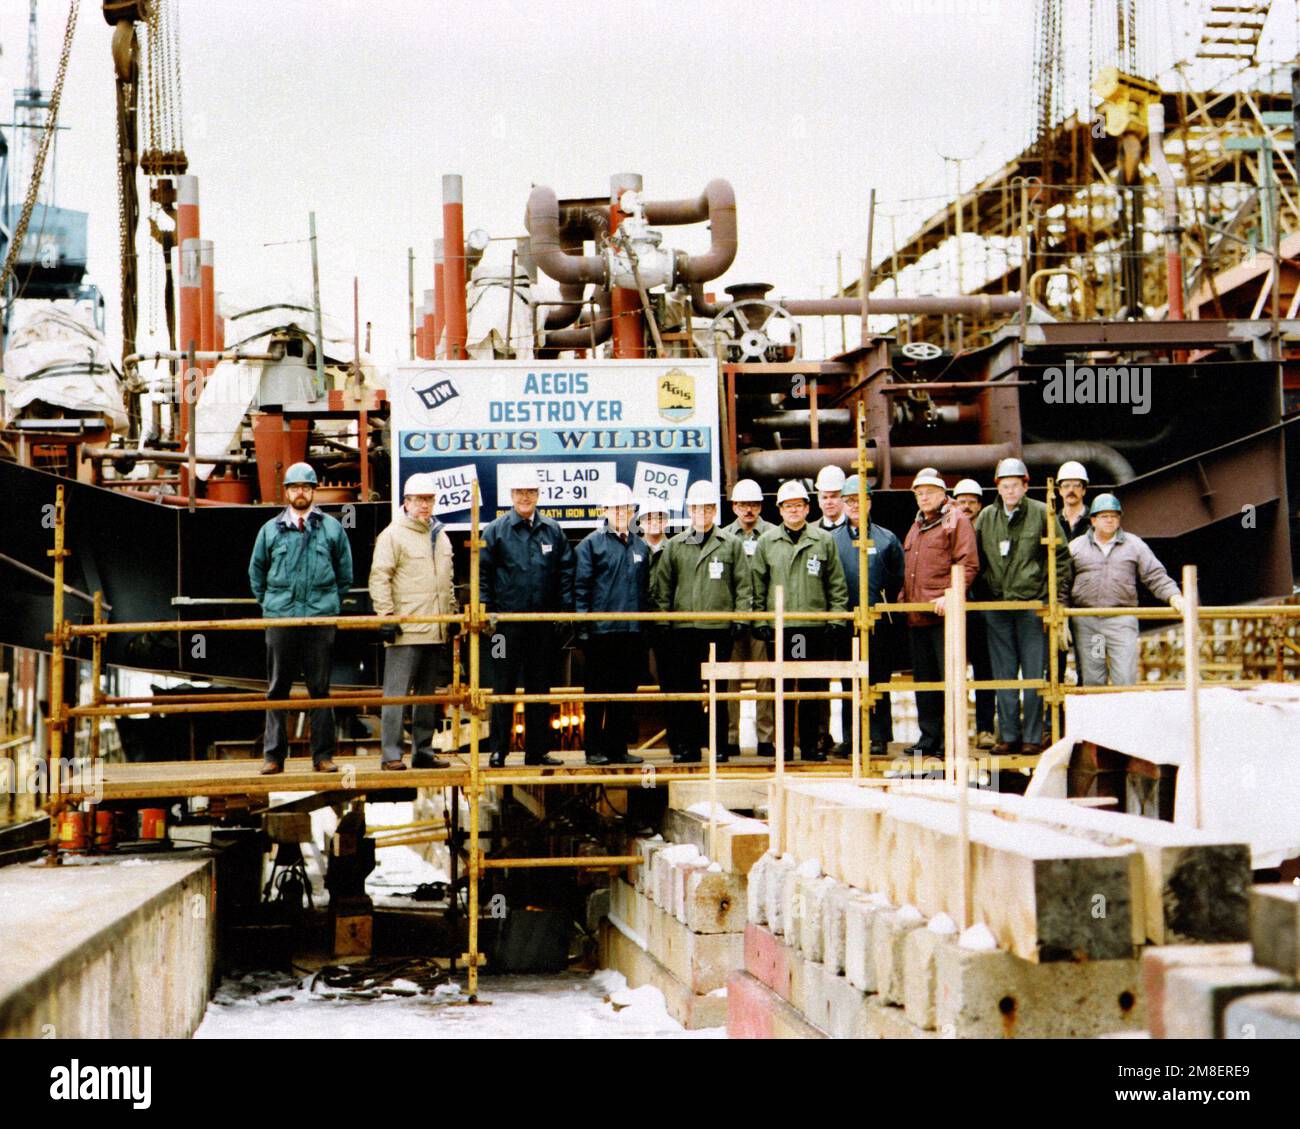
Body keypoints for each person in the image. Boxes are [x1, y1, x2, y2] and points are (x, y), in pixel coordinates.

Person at [248, 461, 354, 775]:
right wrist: (270, 603)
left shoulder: (332, 529)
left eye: (306, 487)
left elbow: (344, 574)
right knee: (277, 687)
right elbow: (257, 573)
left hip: (319, 621)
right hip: (281, 620)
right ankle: (273, 757)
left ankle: (323, 756)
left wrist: (328, 605)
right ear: (287, 492)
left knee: (319, 688)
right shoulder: (270, 530)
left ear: (313, 491)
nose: (301, 492)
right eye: (295, 487)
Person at [972, 457, 1071, 756]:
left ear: (1025, 486)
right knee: (1003, 675)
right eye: (1005, 485)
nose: (1011, 490)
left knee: (1032, 675)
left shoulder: (1042, 513)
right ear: (998, 487)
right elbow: (976, 561)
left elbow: (1061, 558)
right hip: (998, 608)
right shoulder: (986, 518)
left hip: (1031, 607)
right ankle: (1009, 736)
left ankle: (1032, 736)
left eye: (1016, 485)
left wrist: (1047, 596)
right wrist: (985, 596)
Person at [480, 466, 576, 767]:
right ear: (511, 495)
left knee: (539, 686)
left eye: (531, 492)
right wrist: (487, 611)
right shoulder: (495, 531)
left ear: (538, 495)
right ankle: (499, 750)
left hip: (540, 625)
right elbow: (482, 574)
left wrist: (563, 613)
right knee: (501, 685)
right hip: (503, 628)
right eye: (521, 492)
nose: (526, 497)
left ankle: (537, 751)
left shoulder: (553, 531)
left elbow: (566, 572)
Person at [651, 479, 751, 763]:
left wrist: (741, 618)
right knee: (688, 690)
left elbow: (743, 585)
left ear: (714, 510)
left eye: (707, 508)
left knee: (719, 691)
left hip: (719, 629)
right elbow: (663, 588)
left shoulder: (730, 545)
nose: (702, 513)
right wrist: (662, 622)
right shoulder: (675, 546)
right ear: (689, 510)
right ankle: (688, 747)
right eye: (696, 508)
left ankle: (718, 746)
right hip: (685, 630)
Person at [750, 479, 848, 761]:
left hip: (811, 626)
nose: (793, 510)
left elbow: (836, 584)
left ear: (807, 508)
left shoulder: (823, 540)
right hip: (781, 628)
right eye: (788, 506)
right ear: (780, 510)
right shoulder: (767, 542)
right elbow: (757, 584)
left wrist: (836, 620)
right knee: (782, 687)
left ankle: (809, 746)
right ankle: (783, 749)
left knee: (811, 689)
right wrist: (760, 621)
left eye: (798, 505)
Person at [368, 473, 457, 772]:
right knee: (395, 695)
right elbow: (380, 577)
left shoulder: (440, 536)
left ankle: (423, 751)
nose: (424, 505)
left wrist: (452, 613)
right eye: (419, 499)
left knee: (427, 697)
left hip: (435, 627)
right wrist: (386, 616)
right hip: (406, 628)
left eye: (429, 499)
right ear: (406, 502)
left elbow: (448, 581)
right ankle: (391, 755)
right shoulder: (392, 535)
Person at [899, 468, 977, 758]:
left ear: (943, 494)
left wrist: (951, 595)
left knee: (948, 679)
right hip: (918, 615)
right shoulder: (917, 525)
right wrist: (903, 599)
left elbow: (968, 564)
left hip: (944, 618)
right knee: (925, 681)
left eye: (928, 492)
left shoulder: (956, 521)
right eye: (919, 493)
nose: (923, 497)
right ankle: (929, 738)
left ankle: (949, 739)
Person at [1068, 494, 1184, 686]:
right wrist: (1062, 619)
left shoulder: (1134, 545)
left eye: (1114, 516)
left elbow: (1154, 575)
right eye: (1104, 516)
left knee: (1125, 677)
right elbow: (1062, 584)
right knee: (1094, 678)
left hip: (1120, 622)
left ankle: (1124, 716)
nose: (1110, 520)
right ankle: (1100, 717)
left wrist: (1174, 596)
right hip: (1090, 623)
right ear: (1093, 520)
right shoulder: (1076, 547)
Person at [575, 483, 649, 766]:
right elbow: (581, 588)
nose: (621, 513)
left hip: (630, 632)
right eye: (616, 508)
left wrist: (643, 629)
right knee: (596, 694)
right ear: (605, 511)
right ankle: (593, 749)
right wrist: (582, 628)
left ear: (632, 512)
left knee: (624, 694)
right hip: (601, 633)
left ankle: (618, 748)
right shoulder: (590, 545)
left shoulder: (639, 546)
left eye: (626, 509)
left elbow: (644, 590)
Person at [833, 474, 904, 757]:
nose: (854, 506)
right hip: (846, 622)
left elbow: (898, 576)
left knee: (877, 678)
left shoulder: (887, 539)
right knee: (849, 680)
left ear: (869, 502)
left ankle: (878, 736)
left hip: (877, 621)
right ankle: (850, 737)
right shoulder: (832, 540)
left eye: (859, 500)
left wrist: (884, 605)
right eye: (849, 501)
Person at [721, 478, 776, 758]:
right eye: (743, 504)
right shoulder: (723, 537)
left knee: (764, 676)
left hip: (762, 618)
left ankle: (766, 738)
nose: (748, 510)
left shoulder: (773, 535)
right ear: (734, 507)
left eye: (753, 504)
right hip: (734, 618)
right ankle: (731, 738)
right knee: (732, 676)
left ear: (761, 506)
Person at [951, 478, 996, 749]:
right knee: (951, 670)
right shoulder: (948, 528)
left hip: (982, 608)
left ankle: (985, 729)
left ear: (979, 505)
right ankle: (951, 731)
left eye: (971, 501)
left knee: (984, 670)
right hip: (954, 607)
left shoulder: (988, 530)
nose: (966, 506)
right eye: (962, 501)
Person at [1056, 460, 1091, 541]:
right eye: (1066, 485)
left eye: (1076, 485)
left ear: (1084, 490)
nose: (1071, 490)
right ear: (1060, 490)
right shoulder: (1053, 523)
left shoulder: (1095, 522)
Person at [815, 465, 848, 532]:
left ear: (844, 498)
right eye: (824, 497)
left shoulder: (857, 529)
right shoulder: (809, 531)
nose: (829, 502)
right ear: (818, 499)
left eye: (833, 497)